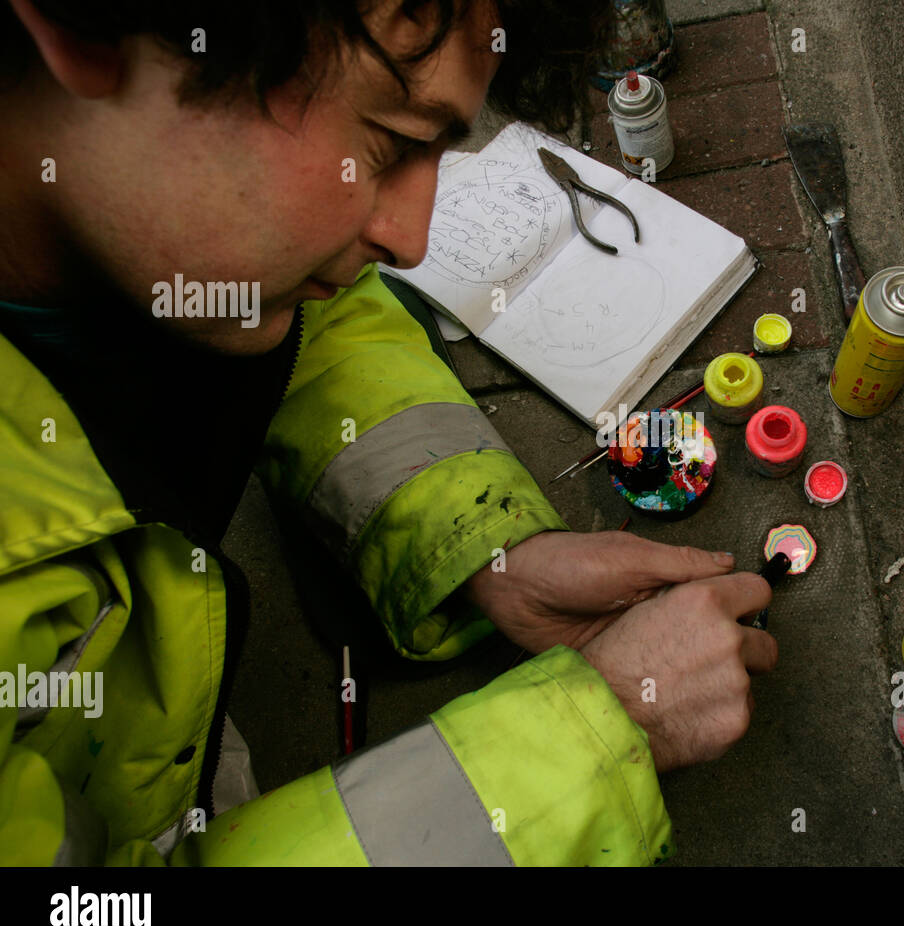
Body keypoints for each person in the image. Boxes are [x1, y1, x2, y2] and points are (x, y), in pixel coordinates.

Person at [0, 0, 778, 866]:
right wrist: (591, 739)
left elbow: (318, 336)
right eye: (386, 146)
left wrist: (483, 549)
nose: (410, 241)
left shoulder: (214, 254)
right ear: (82, 30)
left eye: (441, 151)